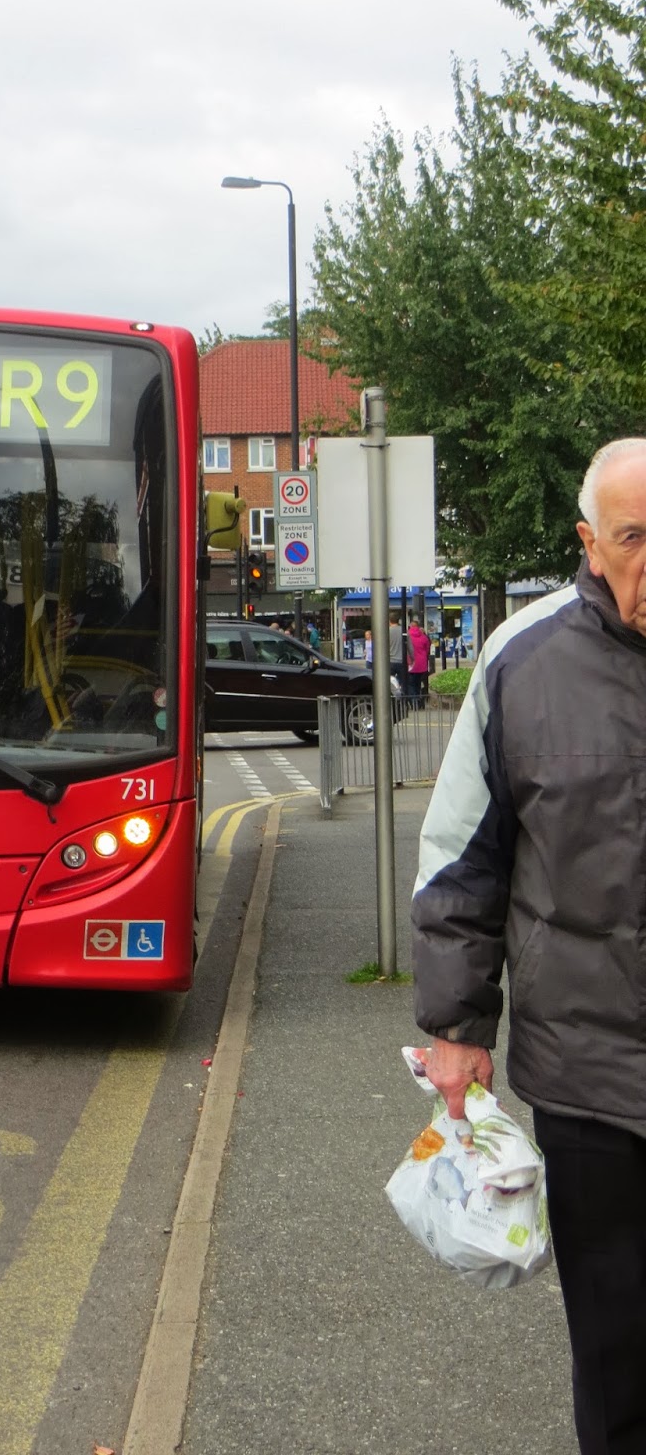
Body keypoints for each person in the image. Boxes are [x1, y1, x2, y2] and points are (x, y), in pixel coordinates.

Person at [411, 436, 646, 1455]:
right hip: (591, 1073)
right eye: (635, 538)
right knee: (618, 1345)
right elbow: (463, 859)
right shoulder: (523, 659)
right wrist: (458, 1024)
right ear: (590, 545)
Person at [405, 616, 430, 706]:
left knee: (410, 684)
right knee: (418, 683)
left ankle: (414, 701)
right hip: (422, 664)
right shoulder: (424, 637)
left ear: (410, 626)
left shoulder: (407, 636)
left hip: (411, 663)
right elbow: (427, 649)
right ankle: (419, 701)